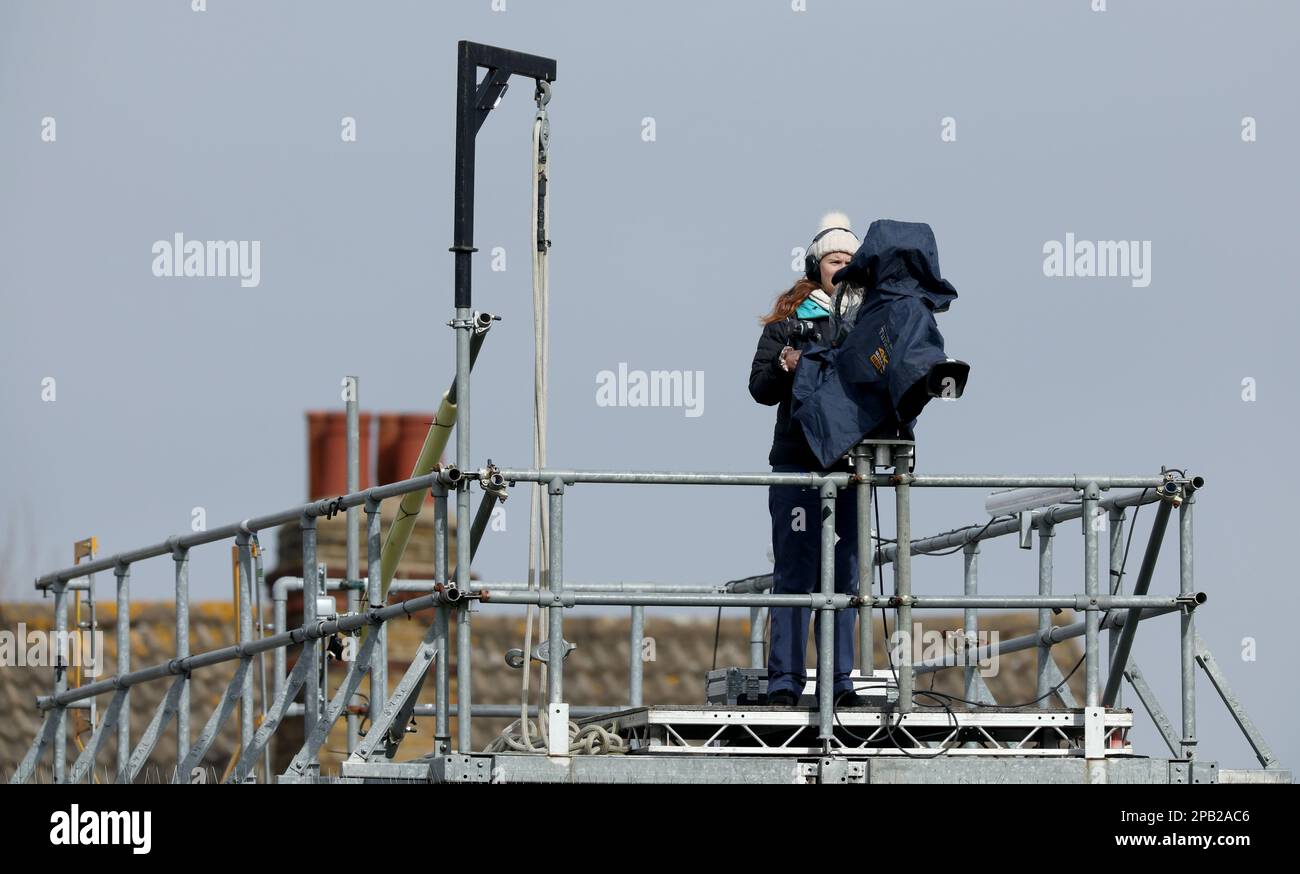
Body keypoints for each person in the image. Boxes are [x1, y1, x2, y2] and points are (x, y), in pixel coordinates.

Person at [749, 211, 867, 709]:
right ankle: (785, 682)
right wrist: (785, 362)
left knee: (844, 574)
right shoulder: (787, 324)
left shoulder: (871, 323)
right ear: (815, 265)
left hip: (849, 463)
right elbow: (758, 389)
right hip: (797, 461)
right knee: (795, 572)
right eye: (832, 259)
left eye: (848, 261)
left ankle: (839, 682)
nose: (839, 268)